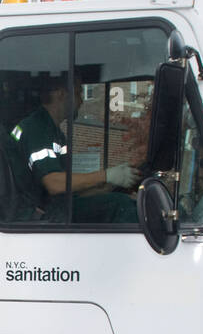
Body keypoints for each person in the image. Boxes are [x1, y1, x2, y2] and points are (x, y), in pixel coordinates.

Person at [8, 68, 139, 224]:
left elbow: (66, 188)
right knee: (120, 205)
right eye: (78, 93)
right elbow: (54, 183)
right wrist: (107, 175)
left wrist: (108, 185)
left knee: (121, 199)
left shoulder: (54, 132)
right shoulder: (37, 128)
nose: (81, 101)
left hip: (52, 207)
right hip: (40, 214)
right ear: (61, 93)